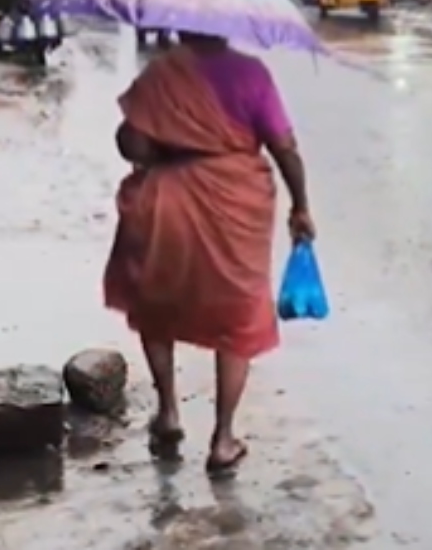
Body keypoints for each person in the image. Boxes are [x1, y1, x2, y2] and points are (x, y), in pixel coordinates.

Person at [104, 32, 314, 475]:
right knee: (236, 316)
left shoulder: (163, 72)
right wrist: (301, 205)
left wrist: (166, 138)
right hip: (235, 207)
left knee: (155, 301)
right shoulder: (252, 74)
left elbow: (133, 144)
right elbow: (285, 148)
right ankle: (222, 439)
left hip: (167, 203)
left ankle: (168, 413)